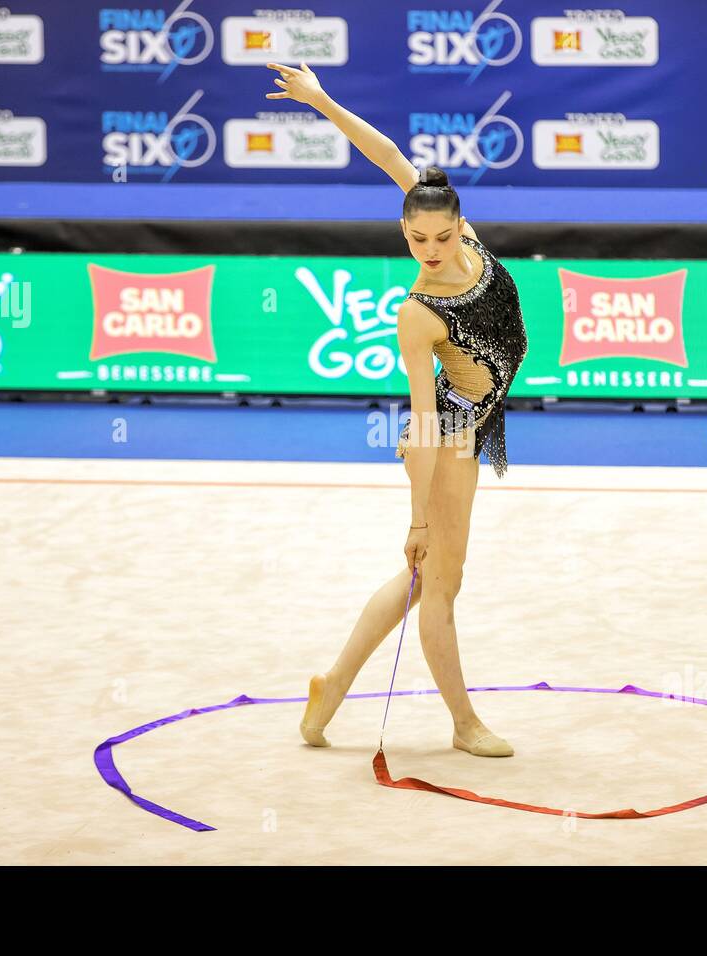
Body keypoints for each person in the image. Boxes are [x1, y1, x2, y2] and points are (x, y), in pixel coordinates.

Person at [265, 61, 528, 757]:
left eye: (442, 237)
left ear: (460, 223)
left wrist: (321, 100)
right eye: (417, 241)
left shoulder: (460, 237)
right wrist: (415, 516)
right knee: (439, 581)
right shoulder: (417, 312)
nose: (432, 251)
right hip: (445, 435)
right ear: (404, 230)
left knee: (425, 583)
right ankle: (464, 724)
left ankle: (330, 691)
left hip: (476, 421)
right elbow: (419, 421)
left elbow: (383, 152)